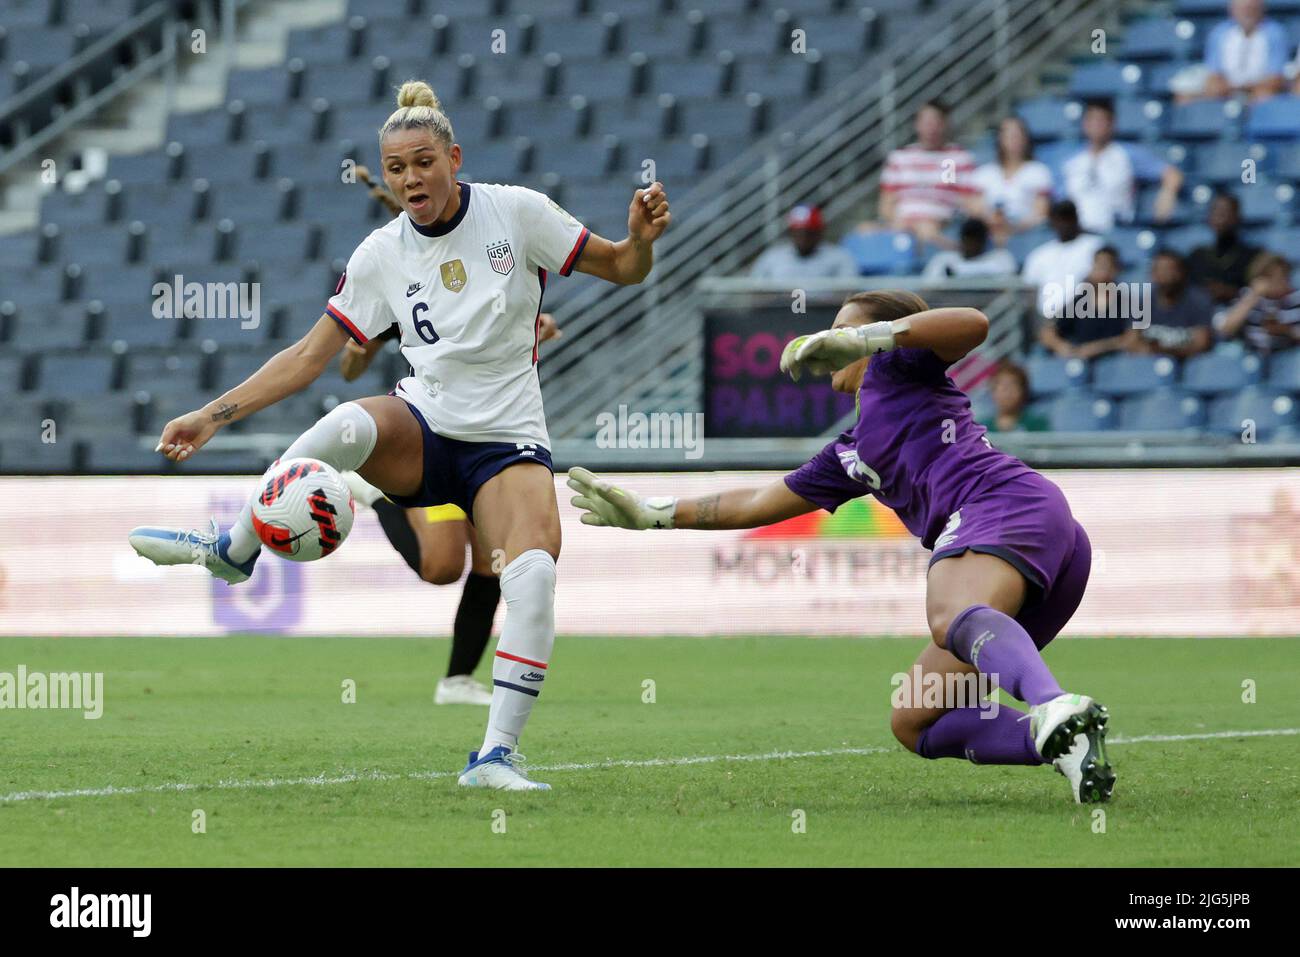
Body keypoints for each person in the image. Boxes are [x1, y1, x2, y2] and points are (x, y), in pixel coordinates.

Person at [127, 79, 672, 791]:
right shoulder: (381, 253)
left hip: (508, 442)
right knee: (351, 420)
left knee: (531, 578)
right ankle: (236, 550)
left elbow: (623, 269)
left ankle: (494, 756)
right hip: (424, 424)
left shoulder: (516, 212)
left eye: (423, 161)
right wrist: (210, 414)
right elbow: (307, 358)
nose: (410, 177)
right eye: (396, 167)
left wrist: (639, 240)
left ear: (454, 156)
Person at [569, 290, 1113, 804]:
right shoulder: (848, 454)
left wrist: (870, 339)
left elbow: (974, 324)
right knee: (916, 717)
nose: (827, 341)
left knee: (948, 612)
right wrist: (652, 514)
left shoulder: (899, 367)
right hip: (1050, 541)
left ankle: (1051, 704)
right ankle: (1063, 744)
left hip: (1004, 504)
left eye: (840, 330)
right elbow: (756, 502)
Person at [342, 162, 558, 706]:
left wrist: (534, 329)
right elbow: (347, 366)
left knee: (494, 559)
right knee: (441, 568)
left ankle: (457, 679)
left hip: (491, 433)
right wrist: (361, 345)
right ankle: (376, 494)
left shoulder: (476, 268)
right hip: (434, 432)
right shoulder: (393, 269)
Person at [1060, 100, 1182, 234]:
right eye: (1091, 120)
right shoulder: (1071, 161)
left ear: (1112, 124)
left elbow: (1172, 175)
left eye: (1101, 121)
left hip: (1115, 230)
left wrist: (1167, 194)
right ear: (1084, 124)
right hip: (1077, 232)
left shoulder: (1127, 154)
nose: (1096, 125)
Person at [877, 101, 979, 244]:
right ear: (917, 125)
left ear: (945, 124)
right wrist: (908, 225)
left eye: (935, 122)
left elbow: (968, 203)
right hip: (902, 226)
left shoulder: (956, 158)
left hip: (942, 227)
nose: (931, 128)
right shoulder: (899, 158)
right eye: (926, 122)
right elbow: (886, 205)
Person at [1182, 0, 1289, 103]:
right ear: (1232, 10)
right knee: (1190, 95)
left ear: (1261, 9)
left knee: (1266, 95)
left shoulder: (1275, 33)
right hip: (1226, 89)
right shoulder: (1219, 33)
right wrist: (1227, 88)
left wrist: (1245, 88)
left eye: (1251, 8)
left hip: (1258, 89)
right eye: (1243, 8)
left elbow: (1275, 77)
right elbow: (1213, 73)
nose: (1247, 13)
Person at [1038, 246, 1133, 360]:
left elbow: (1131, 339)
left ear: (1115, 270)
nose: (1099, 270)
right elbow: (1048, 332)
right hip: (1080, 362)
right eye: (1097, 265)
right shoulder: (1080, 301)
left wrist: (1097, 348)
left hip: (1115, 363)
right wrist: (1062, 346)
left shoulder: (1126, 303)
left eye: (1105, 266)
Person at [970, 116, 1053, 243]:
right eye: (1008, 135)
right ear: (999, 139)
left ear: (1026, 139)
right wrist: (994, 222)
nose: (1013, 140)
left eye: (1017, 135)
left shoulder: (1038, 171)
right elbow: (975, 210)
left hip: (1027, 237)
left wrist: (1013, 227)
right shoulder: (984, 173)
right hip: (989, 237)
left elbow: (1041, 212)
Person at [1021, 200, 1105, 321]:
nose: (1064, 223)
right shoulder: (1039, 254)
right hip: (1046, 319)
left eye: (1068, 217)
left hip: (1084, 317)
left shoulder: (1095, 246)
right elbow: (1028, 292)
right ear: (1052, 221)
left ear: (1076, 218)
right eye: (1059, 218)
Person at [1124, 249, 1214, 358]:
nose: (1166, 275)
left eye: (1170, 269)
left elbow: (1201, 344)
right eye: (1160, 270)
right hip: (1151, 364)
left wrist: (1163, 351)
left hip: (1187, 364)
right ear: (1152, 274)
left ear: (1182, 273)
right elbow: (1131, 341)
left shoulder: (1198, 301)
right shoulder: (1143, 302)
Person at [1214, 252, 1300, 354]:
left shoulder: (1296, 298)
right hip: (1252, 356)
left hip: (1287, 355)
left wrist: (1286, 331)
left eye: (1281, 276)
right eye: (1270, 276)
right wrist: (1253, 295)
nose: (1277, 281)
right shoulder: (1247, 296)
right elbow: (1226, 329)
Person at [748, 204, 859, 280]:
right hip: (780, 313)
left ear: (819, 232)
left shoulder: (839, 257)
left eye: (809, 232)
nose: (803, 237)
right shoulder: (772, 257)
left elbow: (848, 296)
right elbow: (754, 294)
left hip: (824, 314)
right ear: (790, 232)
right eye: (798, 232)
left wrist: (807, 303)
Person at [1187, 192, 1260, 306]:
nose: (1220, 217)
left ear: (1238, 217)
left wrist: (1231, 292)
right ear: (1208, 219)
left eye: (1226, 212)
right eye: (1215, 212)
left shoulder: (1254, 256)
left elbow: (1260, 293)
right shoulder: (1196, 256)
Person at [921, 218, 1017, 279]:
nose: (972, 245)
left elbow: (1008, 289)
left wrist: (955, 271)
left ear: (984, 240)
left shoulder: (1002, 257)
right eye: (968, 240)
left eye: (976, 240)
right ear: (961, 239)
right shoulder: (943, 260)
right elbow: (929, 289)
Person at [979, 361, 1049, 433]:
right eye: (1004, 388)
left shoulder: (1037, 424)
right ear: (992, 391)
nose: (1008, 393)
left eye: (1013, 386)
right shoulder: (981, 427)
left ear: (1023, 391)